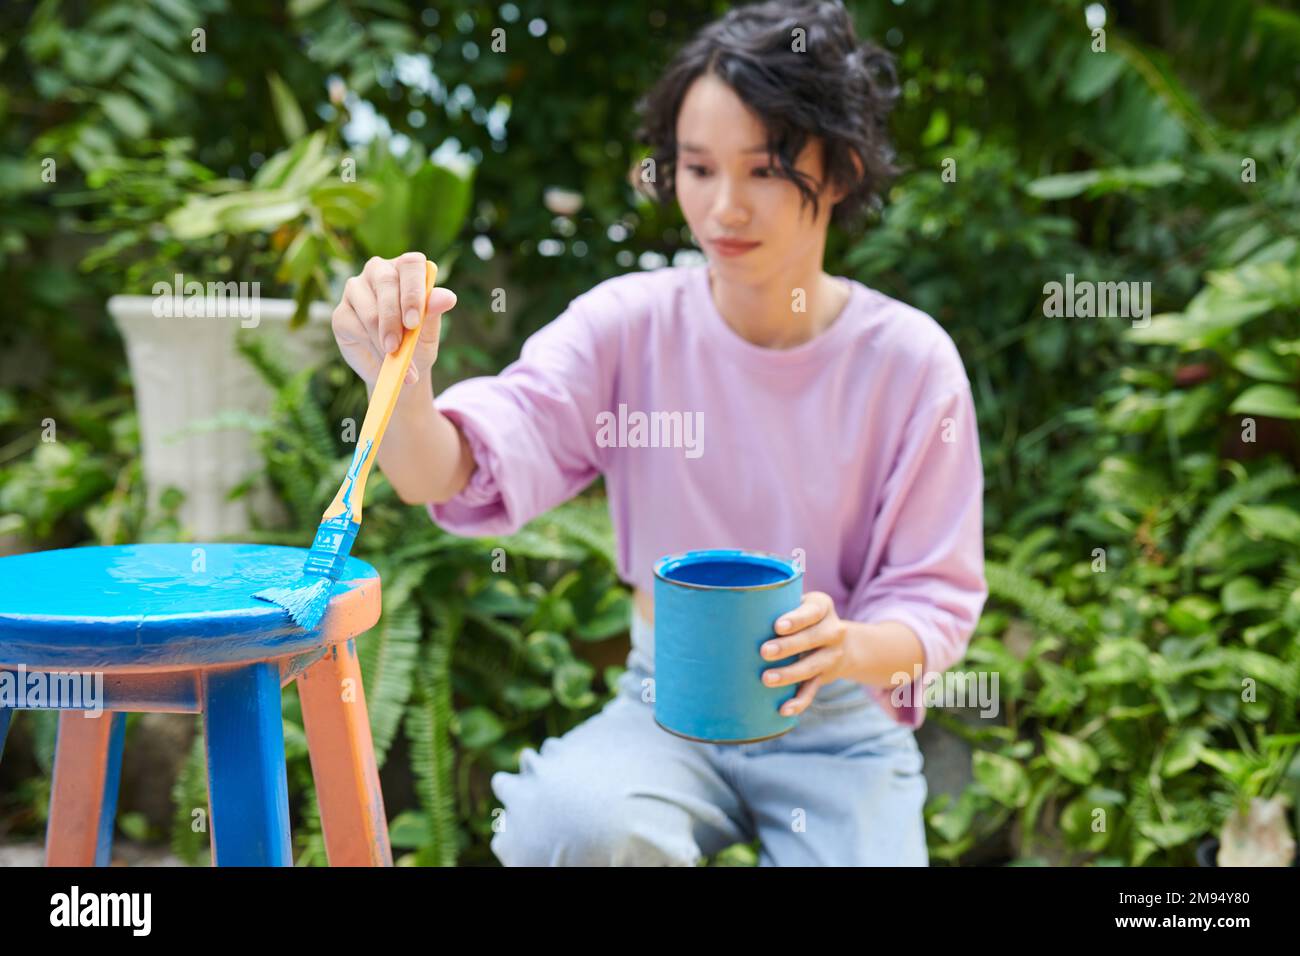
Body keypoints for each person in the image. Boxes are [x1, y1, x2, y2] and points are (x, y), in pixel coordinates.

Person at [329, 0, 987, 866]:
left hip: (840, 730)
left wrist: (843, 648)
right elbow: (445, 472)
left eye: (762, 171)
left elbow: (934, 603)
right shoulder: (628, 324)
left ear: (839, 171)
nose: (723, 208)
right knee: (567, 830)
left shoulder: (909, 363)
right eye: (697, 168)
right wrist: (401, 387)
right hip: (661, 706)